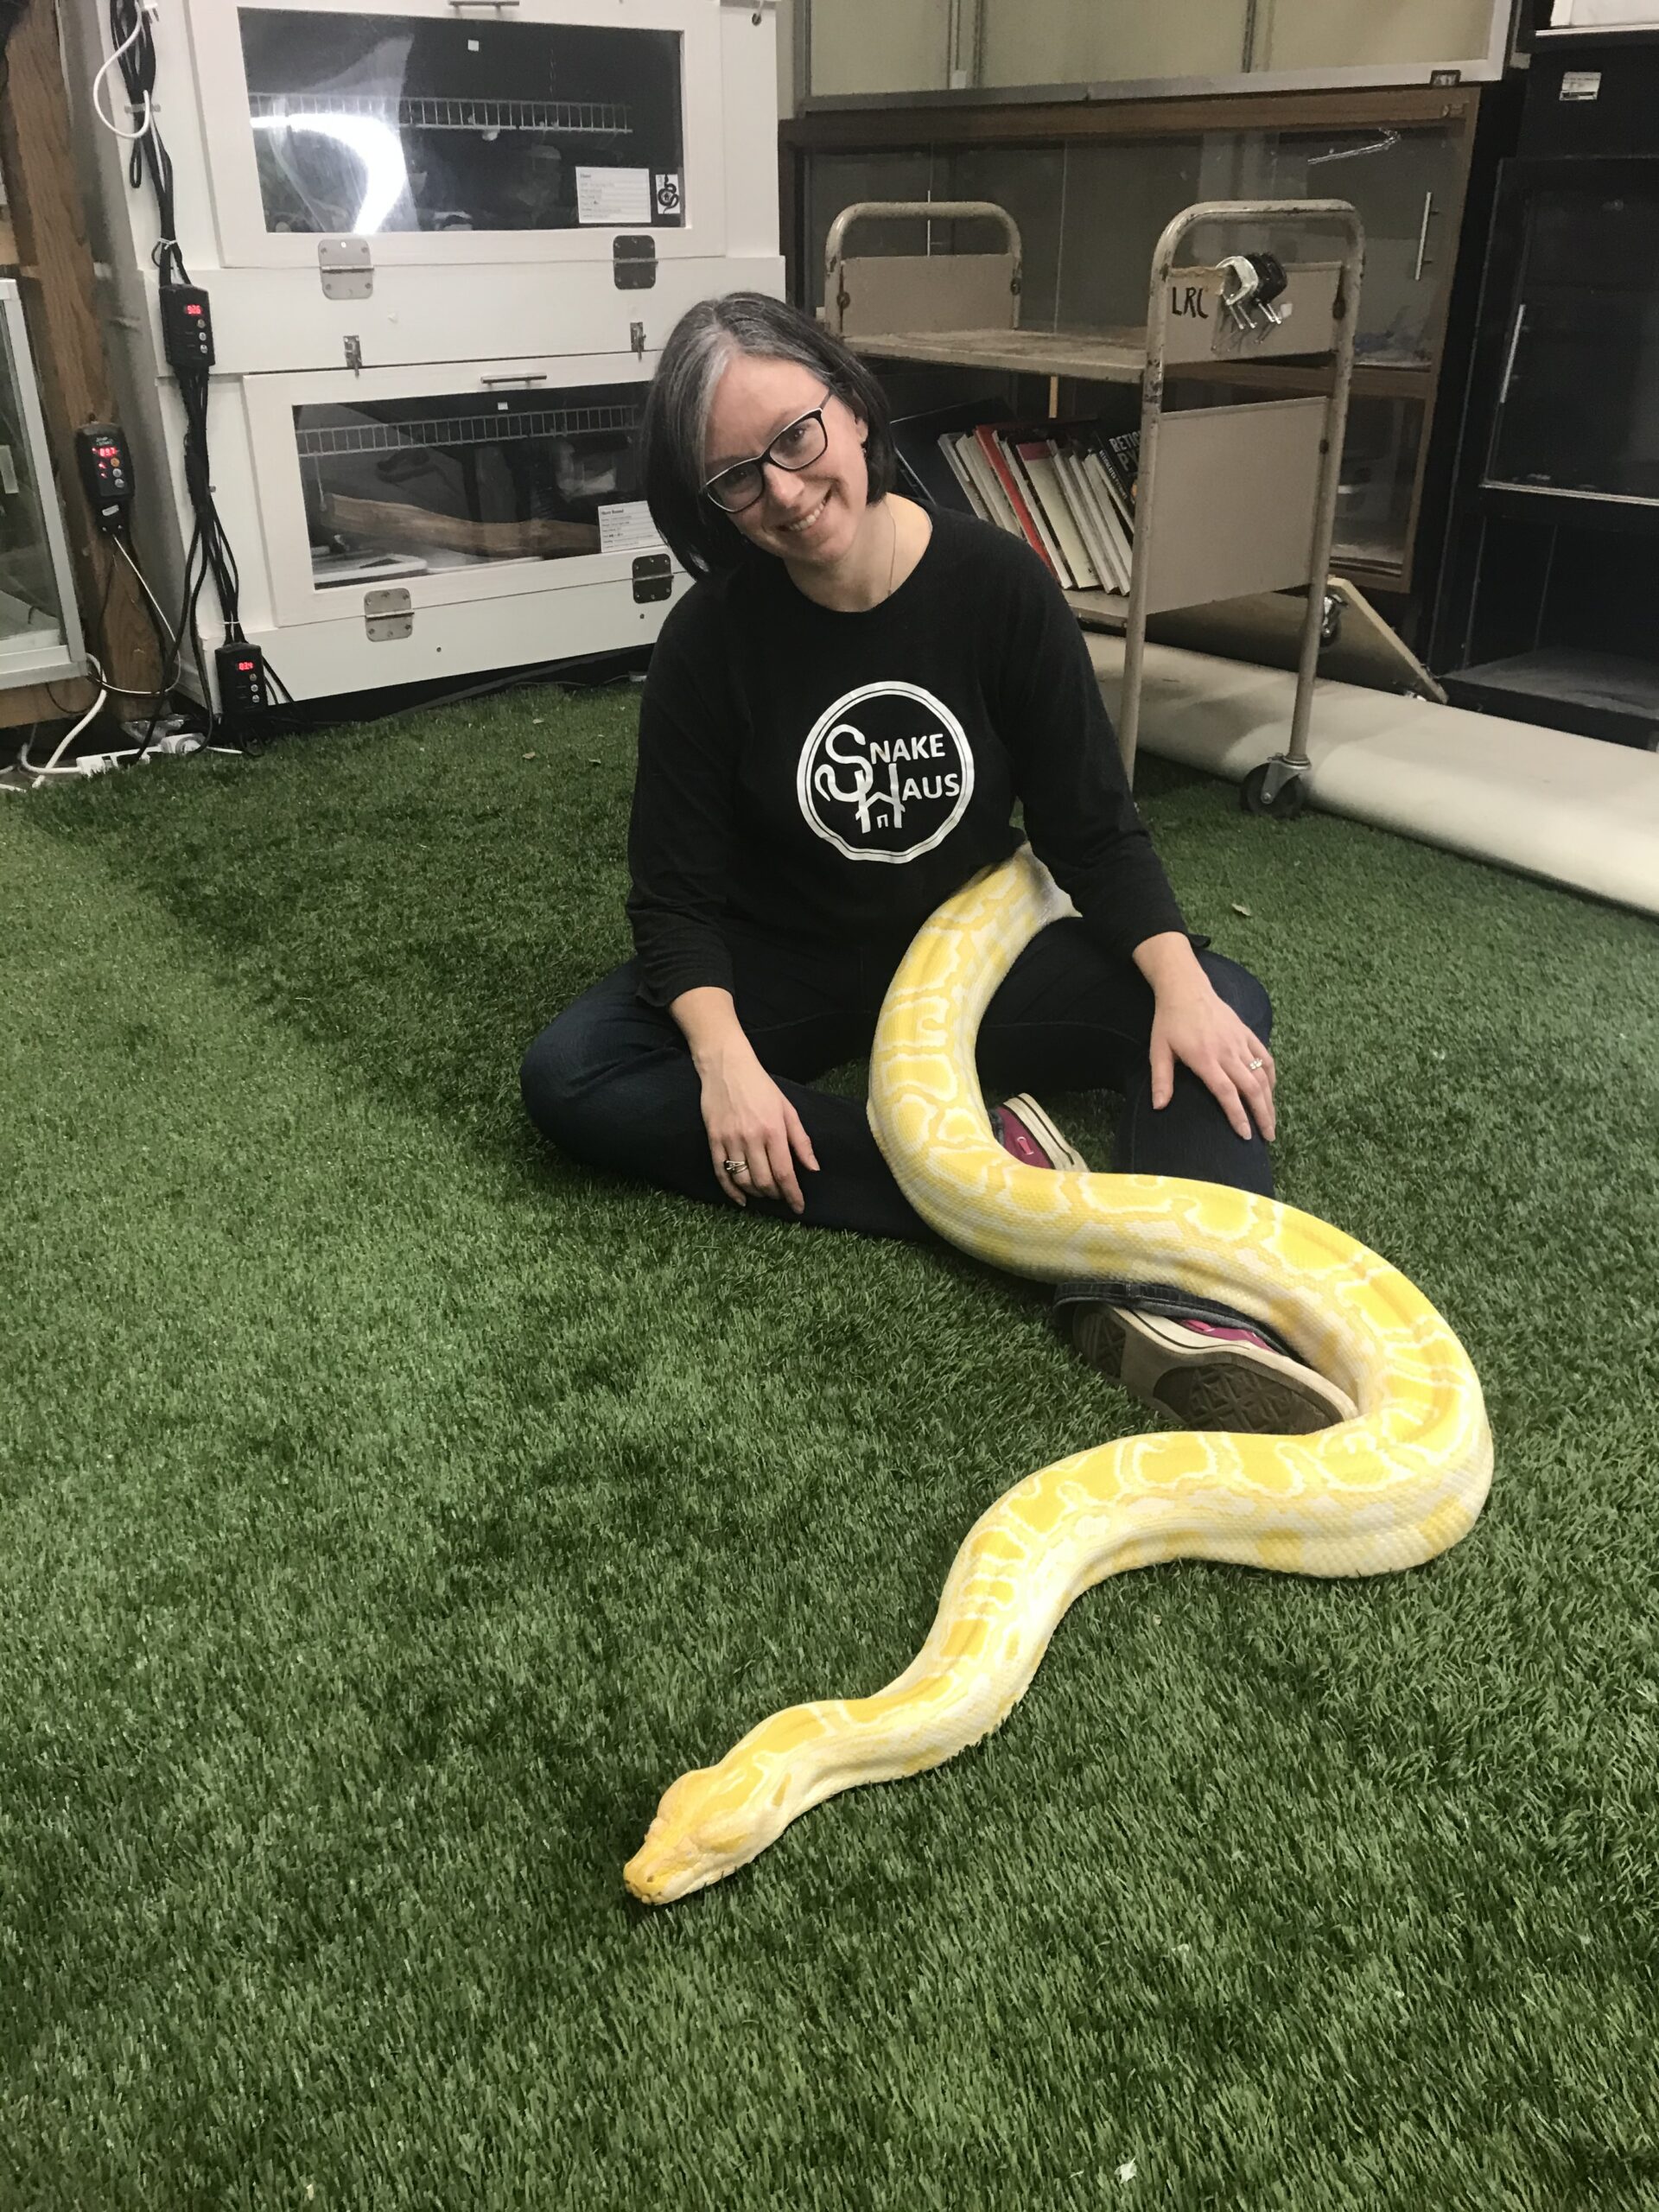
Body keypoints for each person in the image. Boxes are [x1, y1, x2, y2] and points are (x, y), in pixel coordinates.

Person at [520, 292, 1355, 1433]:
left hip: (969, 952)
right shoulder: (710, 641)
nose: (782, 490)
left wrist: (1178, 981)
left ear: (855, 411)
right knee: (574, 1074)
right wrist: (724, 1060)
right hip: (789, 960)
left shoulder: (998, 584)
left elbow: (1090, 825)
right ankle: (1009, 1194)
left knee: (1223, 1006)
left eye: (796, 438)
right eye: (735, 478)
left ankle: (1180, 1310)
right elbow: (672, 896)